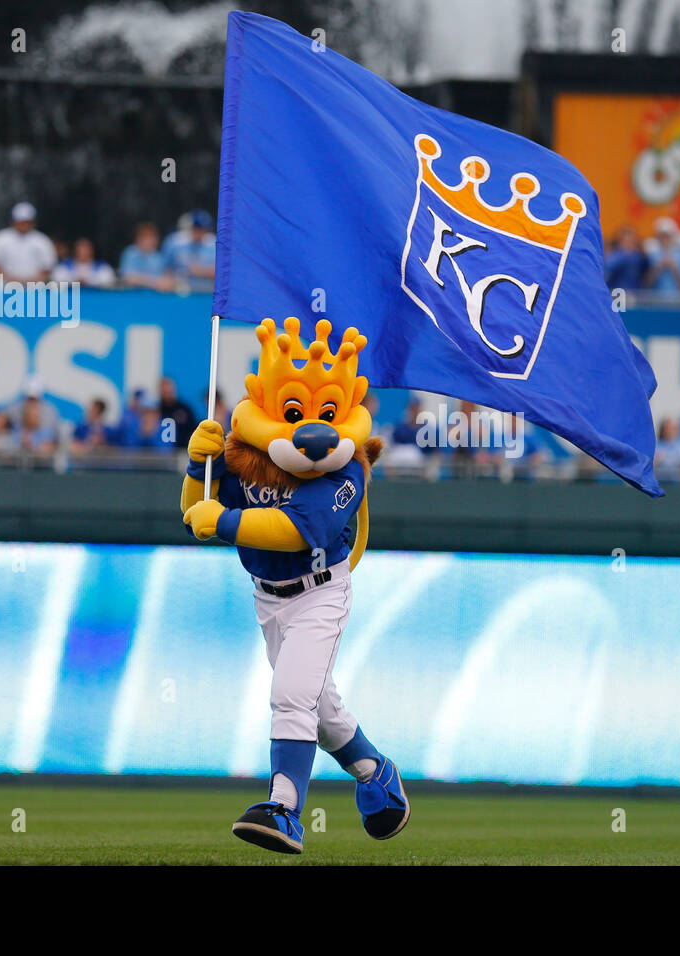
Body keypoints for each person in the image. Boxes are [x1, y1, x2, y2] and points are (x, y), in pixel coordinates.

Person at [180, 318, 406, 855]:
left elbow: (299, 530)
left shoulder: (346, 469)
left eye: (325, 412)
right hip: (267, 594)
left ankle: (284, 809)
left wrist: (225, 521)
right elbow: (194, 512)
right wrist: (196, 466)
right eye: (294, 410)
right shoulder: (244, 453)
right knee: (320, 710)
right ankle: (377, 773)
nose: (310, 426)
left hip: (320, 589)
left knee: (291, 695)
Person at [0, 202, 57, 281]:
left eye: (27, 222)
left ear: (33, 222)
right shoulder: (0, 238)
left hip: (34, 289)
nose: (24, 225)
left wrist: (31, 281)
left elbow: (48, 267)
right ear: (14, 221)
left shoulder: (42, 240)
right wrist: (10, 279)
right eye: (21, 222)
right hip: (3, 288)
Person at [643, 217, 680, 297]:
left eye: (667, 236)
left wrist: (674, 268)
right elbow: (645, 284)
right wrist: (659, 267)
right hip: (655, 302)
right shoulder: (651, 256)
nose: (664, 239)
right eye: (661, 235)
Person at [118, 222, 174, 291]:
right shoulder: (131, 253)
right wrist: (154, 282)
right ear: (139, 239)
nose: (150, 241)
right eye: (146, 237)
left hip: (155, 296)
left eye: (152, 237)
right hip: (133, 295)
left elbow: (167, 277)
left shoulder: (158, 257)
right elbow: (129, 278)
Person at [167, 209, 217, 284]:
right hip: (180, 290)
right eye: (196, 227)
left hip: (207, 291)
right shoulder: (175, 241)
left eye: (201, 228)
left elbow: (221, 272)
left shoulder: (215, 244)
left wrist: (201, 271)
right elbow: (166, 269)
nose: (198, 231)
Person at [604, 224, 647, 292]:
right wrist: (625, 254)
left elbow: (646, 272)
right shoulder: (615, 255)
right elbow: (608, 269)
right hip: (618, 293)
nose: (630, 240)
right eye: (627, 237)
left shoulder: (639, 256)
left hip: (637, 294)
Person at [157, 376, 197, 445]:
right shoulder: (156, 409)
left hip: (182, 450)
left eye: (169, 387)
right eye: (164, 389)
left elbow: (193, 429)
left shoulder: (184, 409)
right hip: (160, 452)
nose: (167, 391)